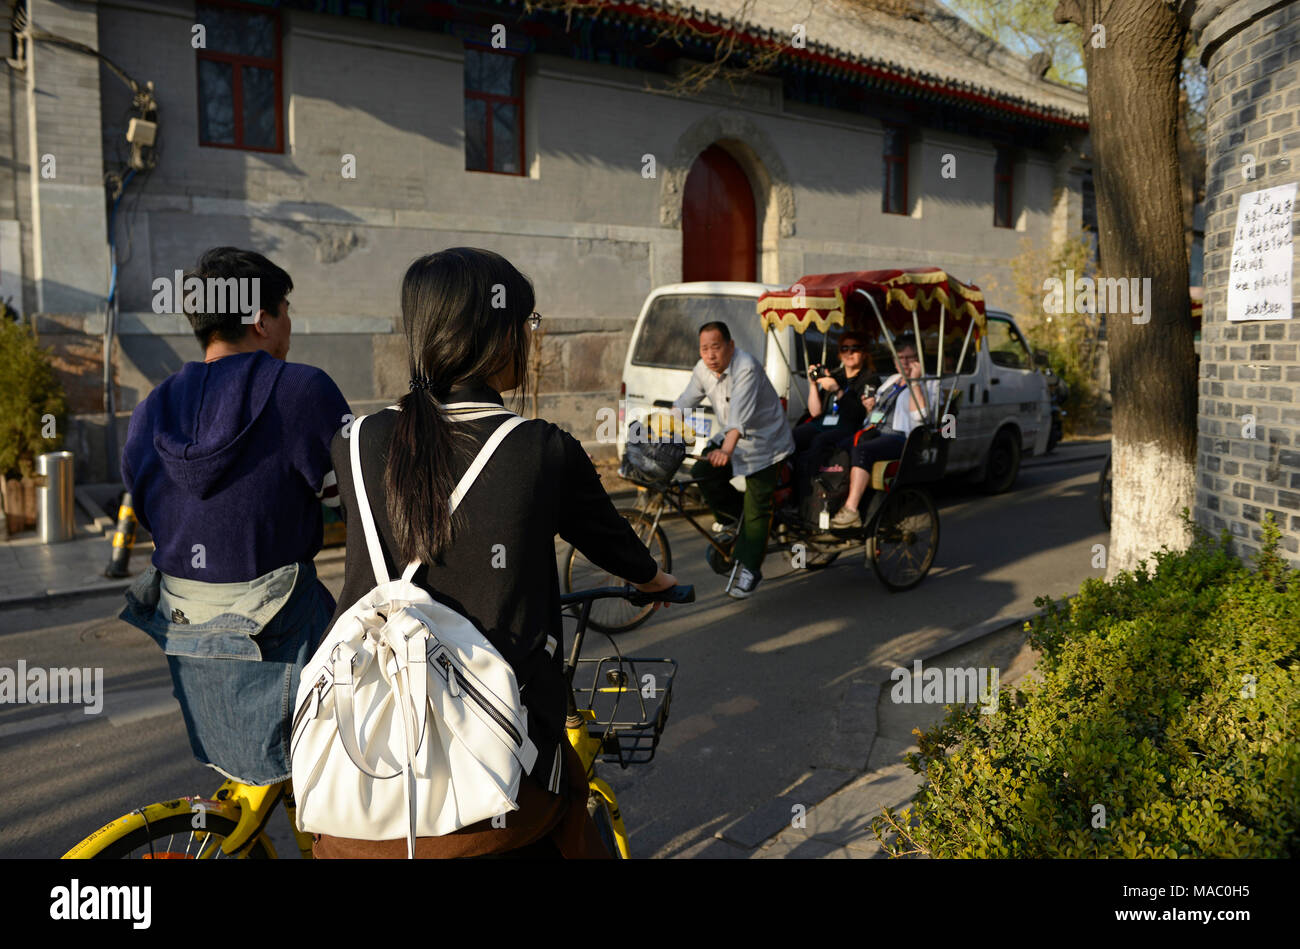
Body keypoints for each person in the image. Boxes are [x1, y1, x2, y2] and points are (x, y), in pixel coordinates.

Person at [314, 247, 678, 859]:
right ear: (498, 334)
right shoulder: (540, 448)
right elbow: (615, 544)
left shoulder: (354, 441)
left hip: (356, 790)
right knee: (574, 821)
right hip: (501, 785)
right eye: (528, 325)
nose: (530, 340)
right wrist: (654, 580)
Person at [119, 247, 352, 790]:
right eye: (286, 309)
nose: (290, 323)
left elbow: (158, 509)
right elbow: (357, 496)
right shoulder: (303, 389)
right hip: (281, 635)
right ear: (262, 319)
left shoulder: (151, 407)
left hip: (187, 638)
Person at [674, 321, 795, 599]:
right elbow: (683, 404)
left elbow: (739, 421)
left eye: (716, 347)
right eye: (704, 349)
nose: (710, 355)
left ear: (730, 346)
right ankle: (735, 522)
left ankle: (751, 567)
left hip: (766, 444)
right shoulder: (702, 369)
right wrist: (654, 430)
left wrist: (726, 452)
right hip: (731, 437)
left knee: (758, 505)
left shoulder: (746, 368)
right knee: (704, 470)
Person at [830, 337, 937, 529]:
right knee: (837, 447)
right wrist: (869, 407)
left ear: (918, 360)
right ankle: (834, 501)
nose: (904, 362)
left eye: (909, 358)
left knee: (862, 451)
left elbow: (918, 416)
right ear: (894, 361)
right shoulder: (892, 381)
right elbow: (875, 413)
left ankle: (851, 509)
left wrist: (915, 382)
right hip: (875, 431)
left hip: (902, 437)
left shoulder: (928, 383)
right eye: (900, 358)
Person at [791, 330, 878, 500]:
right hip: (823, 423)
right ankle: (791, 489)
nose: (849, 353)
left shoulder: (869, 379)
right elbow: (815, 412)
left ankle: (812, 494)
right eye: (844, 349)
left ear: (864, 353)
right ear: (839, 354)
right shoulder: (836, 375)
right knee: (791, 437)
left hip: (848, 426)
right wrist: (813, 386)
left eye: (855, 348)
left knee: (820, 442)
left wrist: (837, 391)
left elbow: (859, 415)